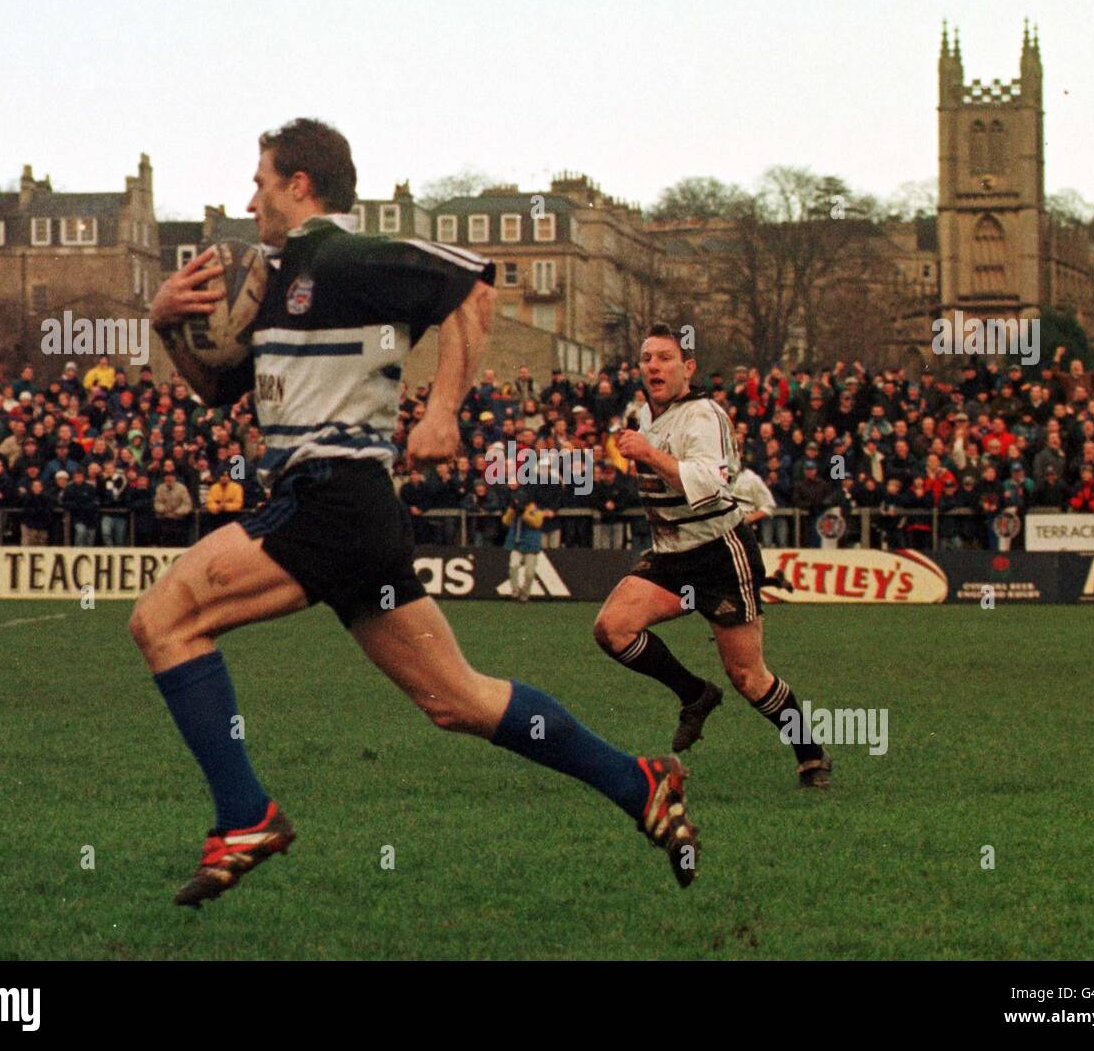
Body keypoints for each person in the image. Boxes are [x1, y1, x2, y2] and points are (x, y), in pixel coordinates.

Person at [136, 118, 696, 906]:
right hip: (350, 515)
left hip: (329, 500)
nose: (250, 197)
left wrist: (444, 409)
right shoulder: (273, 281)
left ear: (302, 186)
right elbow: (217, 389)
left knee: (163, 619)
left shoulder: (344, 254)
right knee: (457, 700)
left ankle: (244, 815)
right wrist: (165, 325)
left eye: (260, 180)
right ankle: (638, 783)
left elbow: (473, 282)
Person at [592, 324, 831, 785]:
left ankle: (810, 752)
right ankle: (695, 693)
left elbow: (707, 482)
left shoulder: (704, 414)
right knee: (611, 629)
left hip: (719, 553)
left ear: (688, 368)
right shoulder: (646, 415)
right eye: (647, 359)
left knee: (748, 676)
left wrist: (647, 454)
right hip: (670, 553)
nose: (654, 366)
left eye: (665, 357)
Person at [501, 481, 547, 601]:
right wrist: (512, 510)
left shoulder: (535, 510)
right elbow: (506, 521)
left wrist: (525, 514)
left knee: (530, 573)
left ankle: (525, 594)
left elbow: (538, 523)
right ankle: (515, 591)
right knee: (513, 566)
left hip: (531, 544)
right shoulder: (514, 510)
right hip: (516, 542)